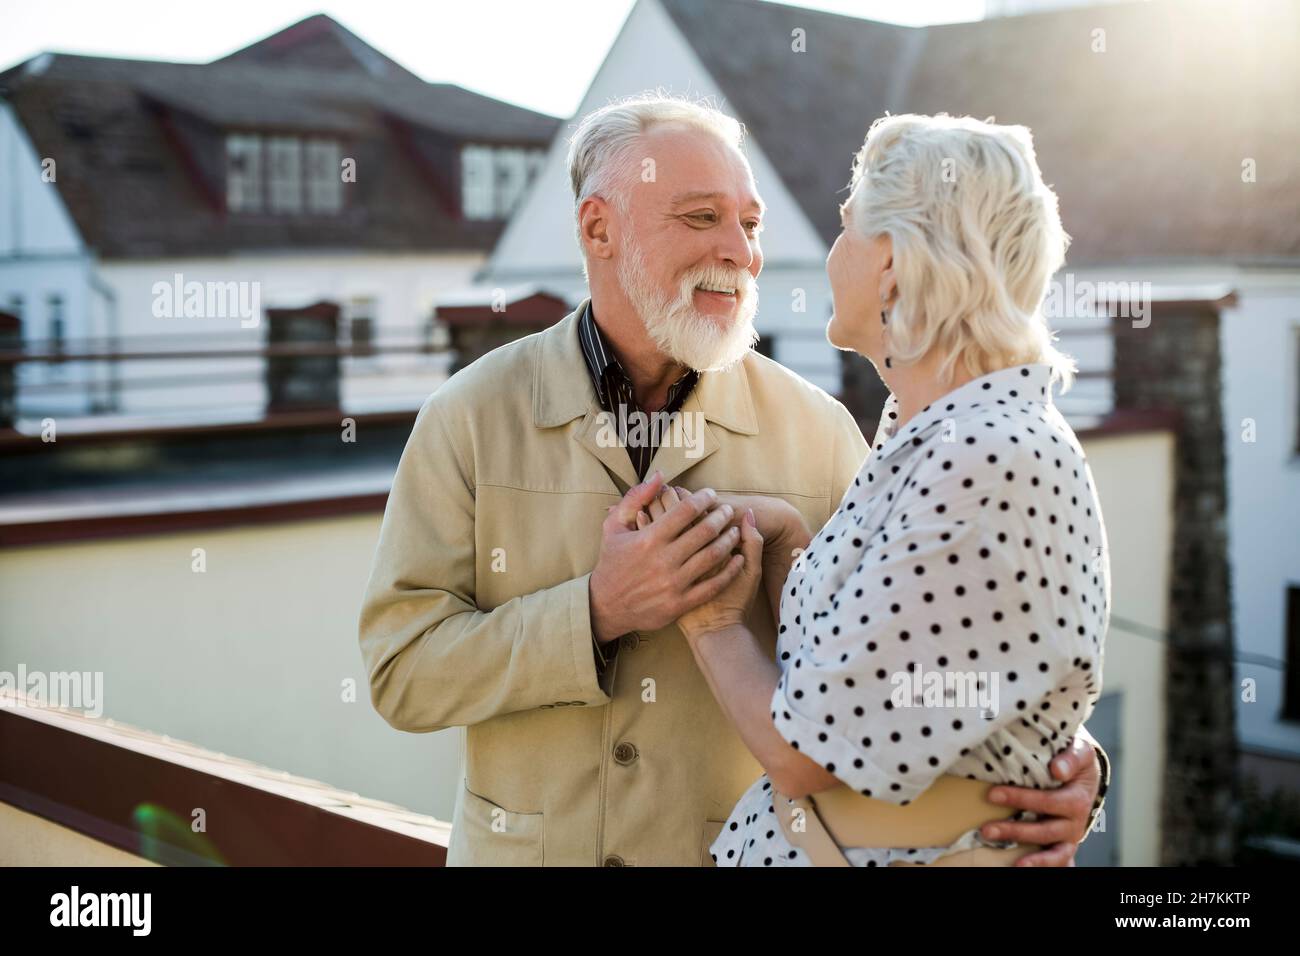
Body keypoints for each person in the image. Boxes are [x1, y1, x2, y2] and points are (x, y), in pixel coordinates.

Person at [358, 95, 1107, 866]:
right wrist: (593, 611)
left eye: (749, 225)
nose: (740, 252)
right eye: (701, 217)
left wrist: (1059, 759)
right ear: (597, 228)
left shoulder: (822, 432)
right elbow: (401, 673)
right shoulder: (469, 417)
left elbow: (929, 638)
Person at [640, 112, 1110, 866]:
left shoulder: (983, 455)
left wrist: (711, 620)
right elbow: (901, 664)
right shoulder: (932, 432)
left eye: (846, 229)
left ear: (890, 261)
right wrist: (794, 538)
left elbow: (809, 754)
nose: (829, 257)